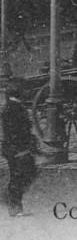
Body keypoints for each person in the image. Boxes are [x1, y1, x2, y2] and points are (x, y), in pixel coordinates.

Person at [2, 83, 38, 217]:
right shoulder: (14, 109)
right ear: (20, 93)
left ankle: (16, 206)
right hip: (17, 149)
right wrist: (22, 149)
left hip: (15, 148)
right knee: (20, 176)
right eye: (25, 90)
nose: (27, 93)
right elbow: (16, 132)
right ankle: (15, 207)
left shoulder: (12, 107)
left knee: (20, 175)